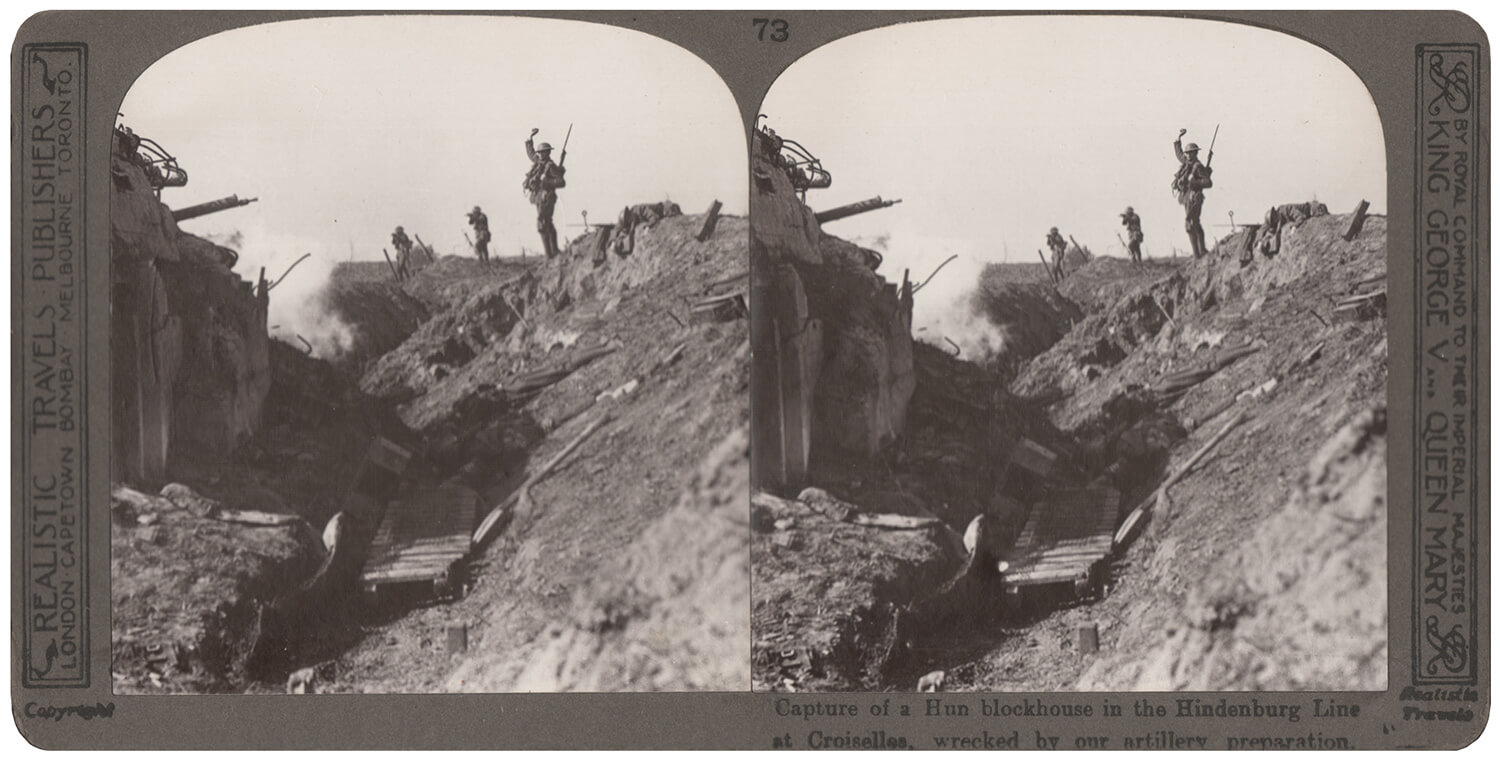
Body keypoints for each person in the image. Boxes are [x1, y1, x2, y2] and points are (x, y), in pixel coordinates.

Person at [524, 128, 567, 258]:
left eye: (544, 152)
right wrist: (530, 138)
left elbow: (561, 182)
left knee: (543, 224)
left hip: (547, 197)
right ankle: (552, 252)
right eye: (540, 152)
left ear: (548, 152)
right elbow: (531, 154)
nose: (542, 154)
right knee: (546, 222)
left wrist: (547, 182)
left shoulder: (550, 165)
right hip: (538, 198)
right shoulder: (539, 163)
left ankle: (550, 254)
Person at [1172, 129, 1214, 258]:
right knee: (1193, 223)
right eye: (1188, 153)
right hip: (1186, 198)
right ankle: (1200, 252)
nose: (1189, 155)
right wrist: (1178, 139)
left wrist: (1194, 182)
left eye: (1191, 153)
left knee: (1191, 223)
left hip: (1195, 197)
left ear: (1196, 153)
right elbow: (1179, 155)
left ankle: (1198, 253)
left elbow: (1208, 182)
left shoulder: (1198, 166)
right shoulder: (1187, 163)